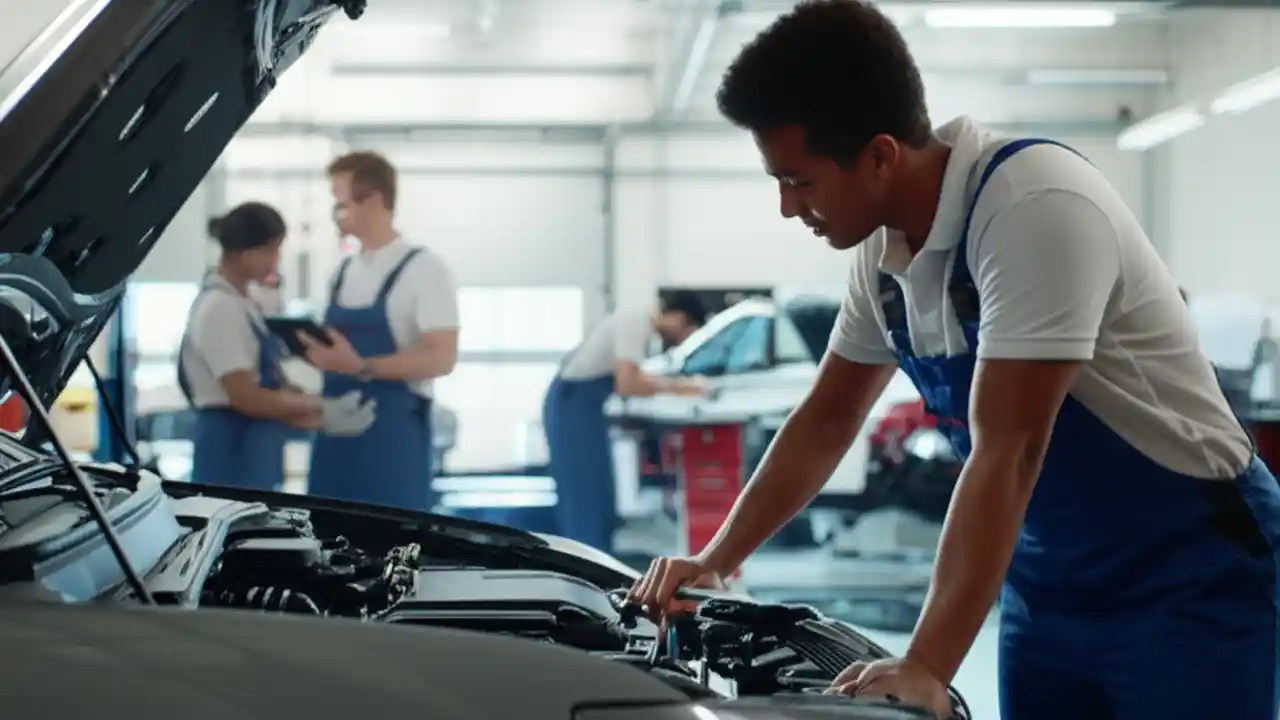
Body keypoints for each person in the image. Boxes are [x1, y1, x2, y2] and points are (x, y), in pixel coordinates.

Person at [628, 2, 1280, 719]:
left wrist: (927, 664)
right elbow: (828, 417)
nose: (787, 207)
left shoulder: (1033, 206)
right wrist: (716, 559)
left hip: (1188, 569)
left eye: (800, 181)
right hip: (1046, 578)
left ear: (880, 156)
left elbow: (1012, 448)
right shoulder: (883, 255)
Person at [300, 151, 460, 511]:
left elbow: (442, 357)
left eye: (340, 204)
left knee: (392, 537)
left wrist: (359, 366)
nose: (334, 213)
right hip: (334, 440)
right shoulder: (340, 273)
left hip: (393, 446)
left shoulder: (425, 270)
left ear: (372, 201)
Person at [178, 202, 375, 490]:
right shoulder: (220, 308)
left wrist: (320, 418)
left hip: (256, 446)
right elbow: (247, 398)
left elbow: (269, 390)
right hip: (230, 449)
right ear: (245, 252)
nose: (276, 260)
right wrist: (320, 405)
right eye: (271, 250)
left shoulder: (244, 304)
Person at [543, 293, 708, 553]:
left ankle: (597, 555)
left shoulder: (641, 326)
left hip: (586, 407)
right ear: (677, 316)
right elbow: (628, 382)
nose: (681, 338)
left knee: (600, 490)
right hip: (572, 405)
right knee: (584, 491)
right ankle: (584, 559)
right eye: (686, 330)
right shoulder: (636, 321)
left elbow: (632, 377)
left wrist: (676, 386)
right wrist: (682, 388)